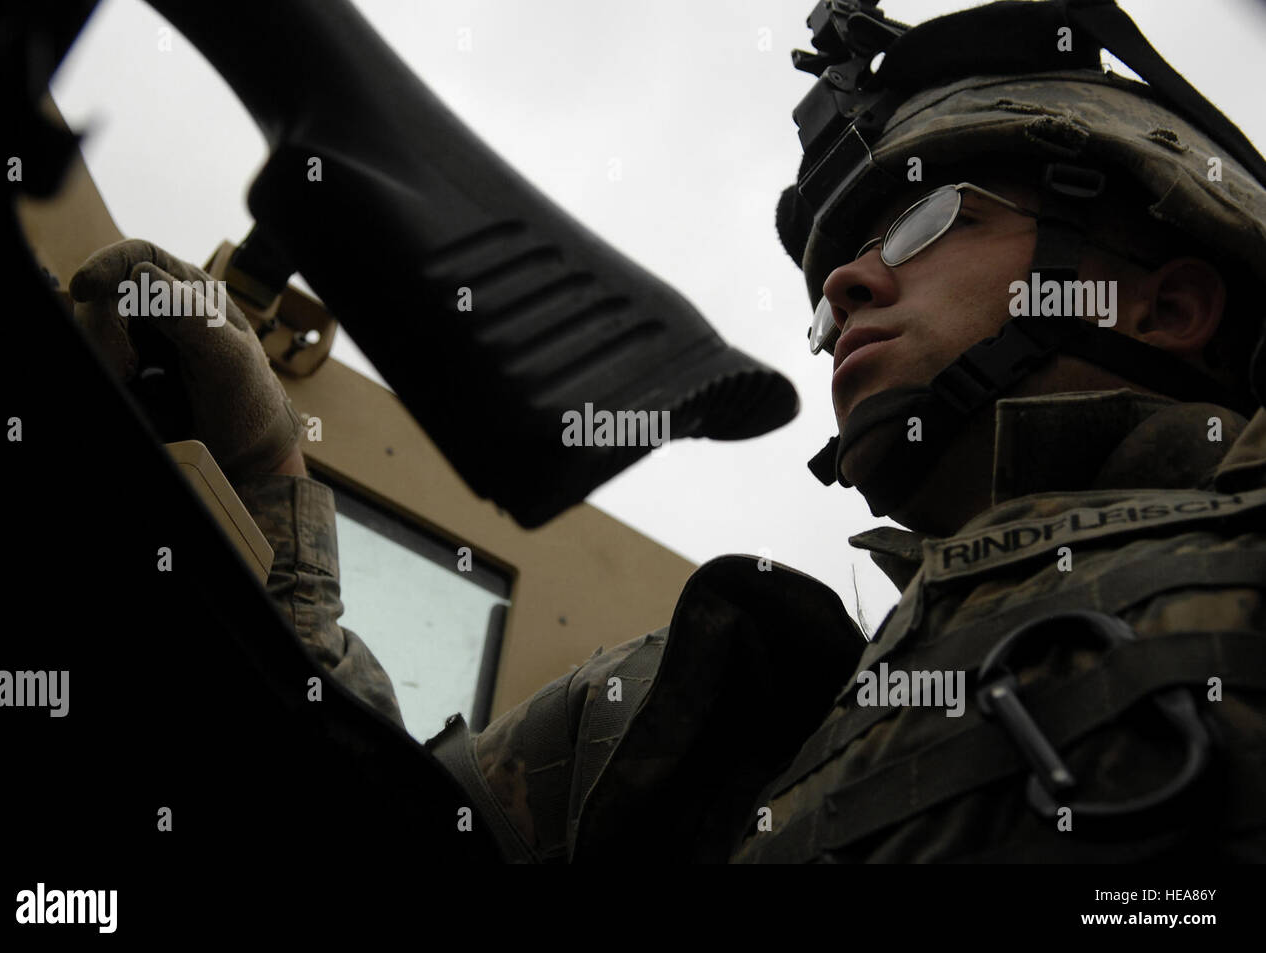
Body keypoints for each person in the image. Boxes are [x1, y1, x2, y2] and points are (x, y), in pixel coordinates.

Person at [71, 0, 1265, 863]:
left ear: (1165, 303)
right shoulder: (721, 710)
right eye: (829, 272)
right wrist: (265, 492)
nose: (846, 285)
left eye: (925, 223)